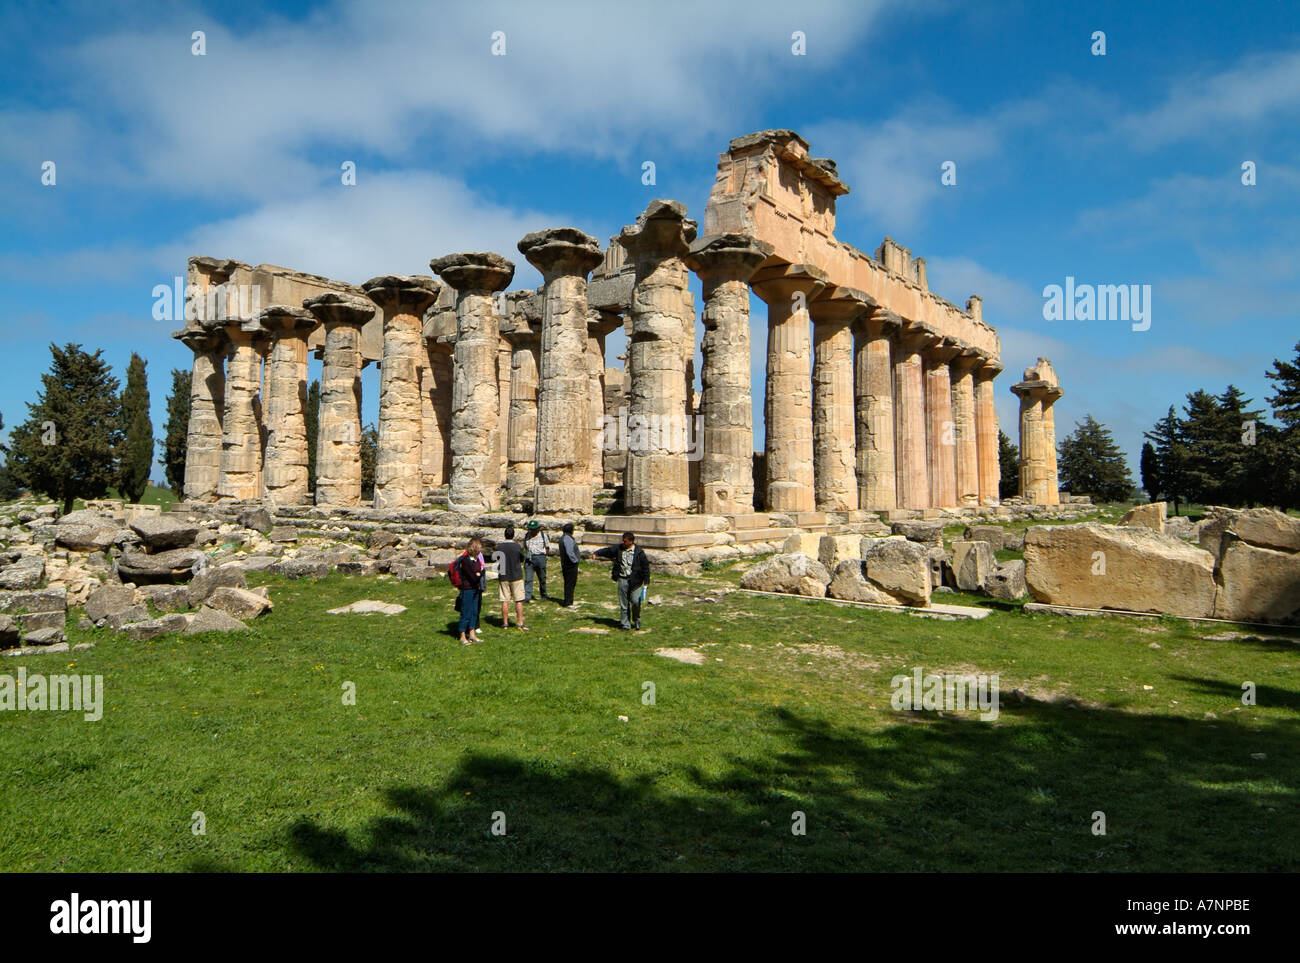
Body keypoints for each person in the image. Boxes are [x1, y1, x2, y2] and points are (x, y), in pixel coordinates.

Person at [594, 531, 650, 630]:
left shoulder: (639, 553)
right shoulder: (619, 548)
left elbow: (645, 567)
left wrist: (646, 582)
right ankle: (625, 624)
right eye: (623, 541)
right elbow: (608, 551)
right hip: (623, 580)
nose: (623, 543)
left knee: (636, 602)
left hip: (636, 582)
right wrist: (597, 553)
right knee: (624, 604)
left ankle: (636, 620)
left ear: (631, 542)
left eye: (625, 541)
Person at [494, 526, 528, 630]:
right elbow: (522, 558)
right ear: (513, 535)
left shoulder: (500, 547)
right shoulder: (517, 547)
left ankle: (505, 623)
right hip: (516, 575)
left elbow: (496, 558)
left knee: (505, 600)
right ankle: (520, 623)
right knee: (519, 600)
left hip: (504, 575)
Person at [454, 536, 486, 645]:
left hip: (475, 588)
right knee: (466, 612)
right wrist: (479, 573)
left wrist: (479, 573)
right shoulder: (466, 561)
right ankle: (462, 635)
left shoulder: (476, 560)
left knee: (474, 611)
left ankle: (472, 634)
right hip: (467, 589)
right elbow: (474, 576)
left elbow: (480, 571)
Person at [522, 520, 550, 602]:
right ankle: (527, 596)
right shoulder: (527, 536)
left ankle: (543, 595)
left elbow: (547, 547)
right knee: (528, 579)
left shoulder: (543, 535)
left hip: (540, 558)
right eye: (531, 529)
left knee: (542, 578)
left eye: (534, 529)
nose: (532, 531)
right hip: (529, 559)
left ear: (538, 529)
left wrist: (544, 557)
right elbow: (525, 546)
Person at [558, 521, 580, 607]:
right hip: (570, 564)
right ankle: (568, 602)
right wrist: (575, 561)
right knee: (570, 583)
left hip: (565, 564)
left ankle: (568, 600)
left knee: (568, 583)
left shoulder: (563, 538)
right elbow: (570, 552)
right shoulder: (567, 539)